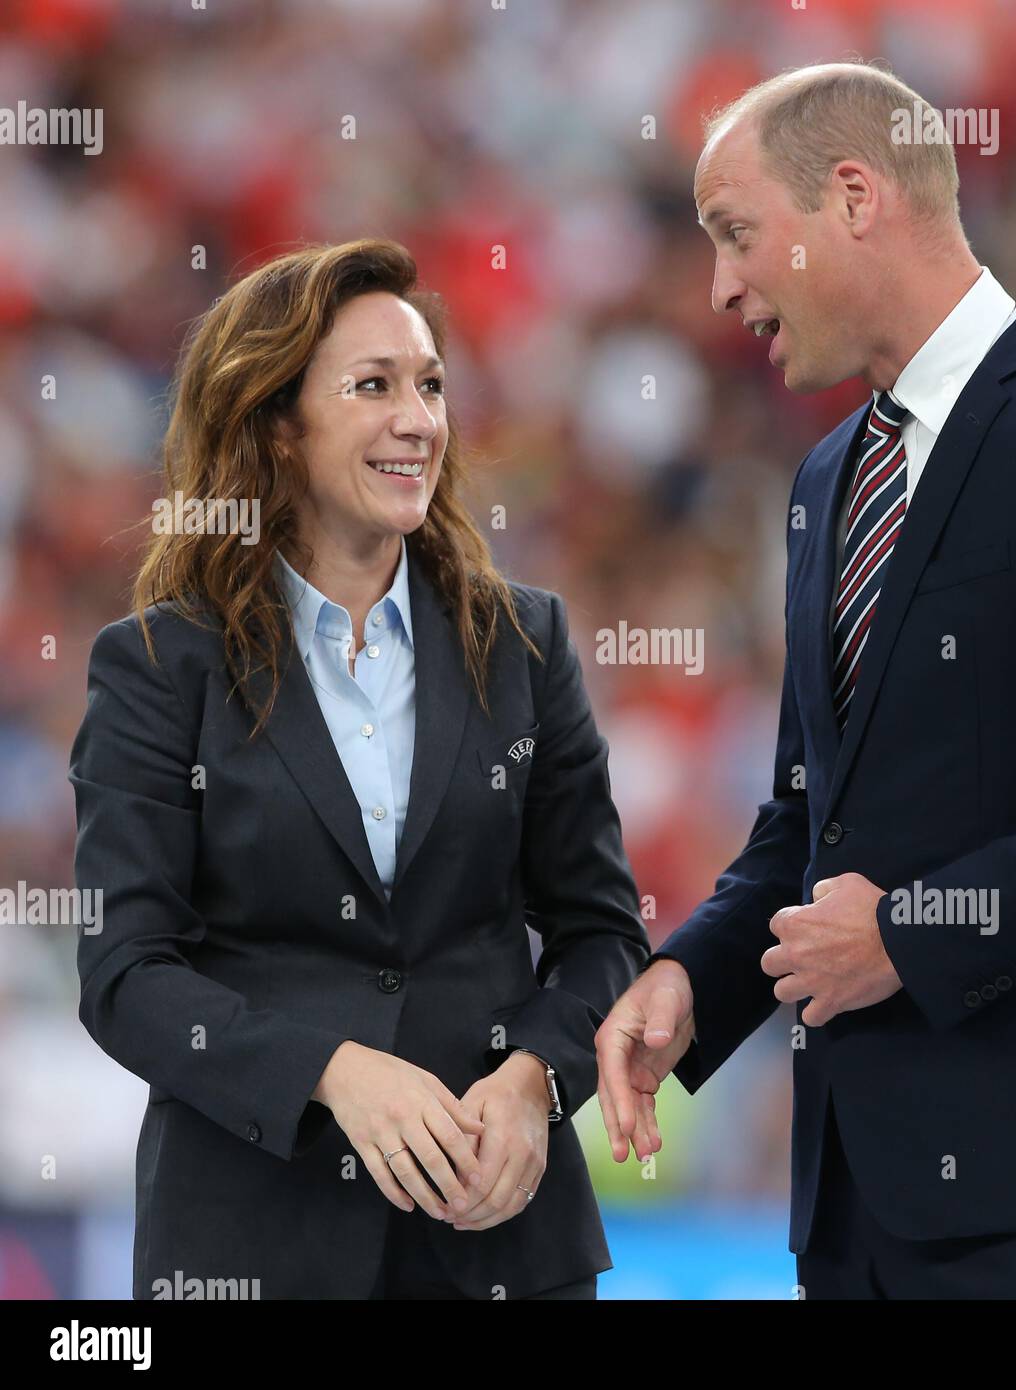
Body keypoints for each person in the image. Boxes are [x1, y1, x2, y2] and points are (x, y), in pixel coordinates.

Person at [596, 61, 1016, 1299]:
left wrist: (910, 933)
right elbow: (806, 823)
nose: (721, 287)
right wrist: (690, 978)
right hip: (851, 1202)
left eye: (736, 235)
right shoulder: (825, 478)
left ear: (852, 195)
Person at [70, 237, 648, 1300]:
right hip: (252, 1251)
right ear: (277, 426)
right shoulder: (158, 666)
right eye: (373, 386)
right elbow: (125, 976)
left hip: (500, 1242)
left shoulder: (524, 642)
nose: (419, 420)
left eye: (430, 385)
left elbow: (602, 930)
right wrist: (336, 1073)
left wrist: (532, 1081)